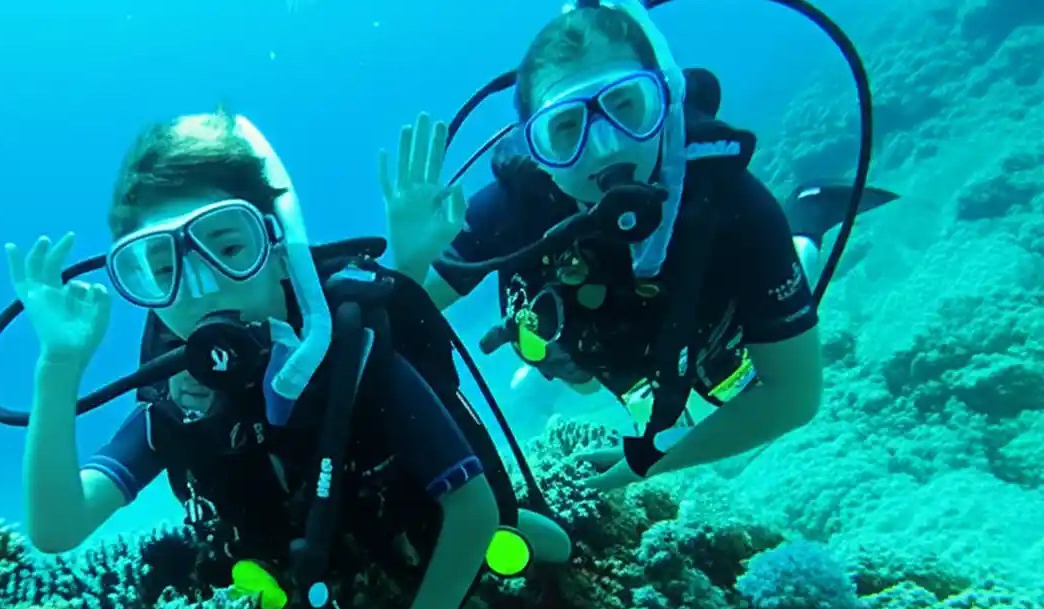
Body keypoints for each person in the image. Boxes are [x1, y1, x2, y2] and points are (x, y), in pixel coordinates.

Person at [4, 110, 571, 609]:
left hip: (408, 529)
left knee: (549, 545)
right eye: (162, 267)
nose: (201, 289)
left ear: (278, 245)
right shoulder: (178, 402)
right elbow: (59, 527)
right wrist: (58, 367)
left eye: (228, 248)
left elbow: (471, 510)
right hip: (290, 567)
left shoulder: (353, 351)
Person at [378, 0, 896, 490]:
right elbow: (390, 321)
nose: (605, 147)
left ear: (664, 101)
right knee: (559, 372)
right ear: (535, 147)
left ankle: (806, 215)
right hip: (593, 341)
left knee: (732, 377)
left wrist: (642, 464)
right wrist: (409, 259)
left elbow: (792, 398)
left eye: (626, 105)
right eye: (565, 127)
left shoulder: (732, 206)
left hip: (703, 331)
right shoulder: (514, 205)